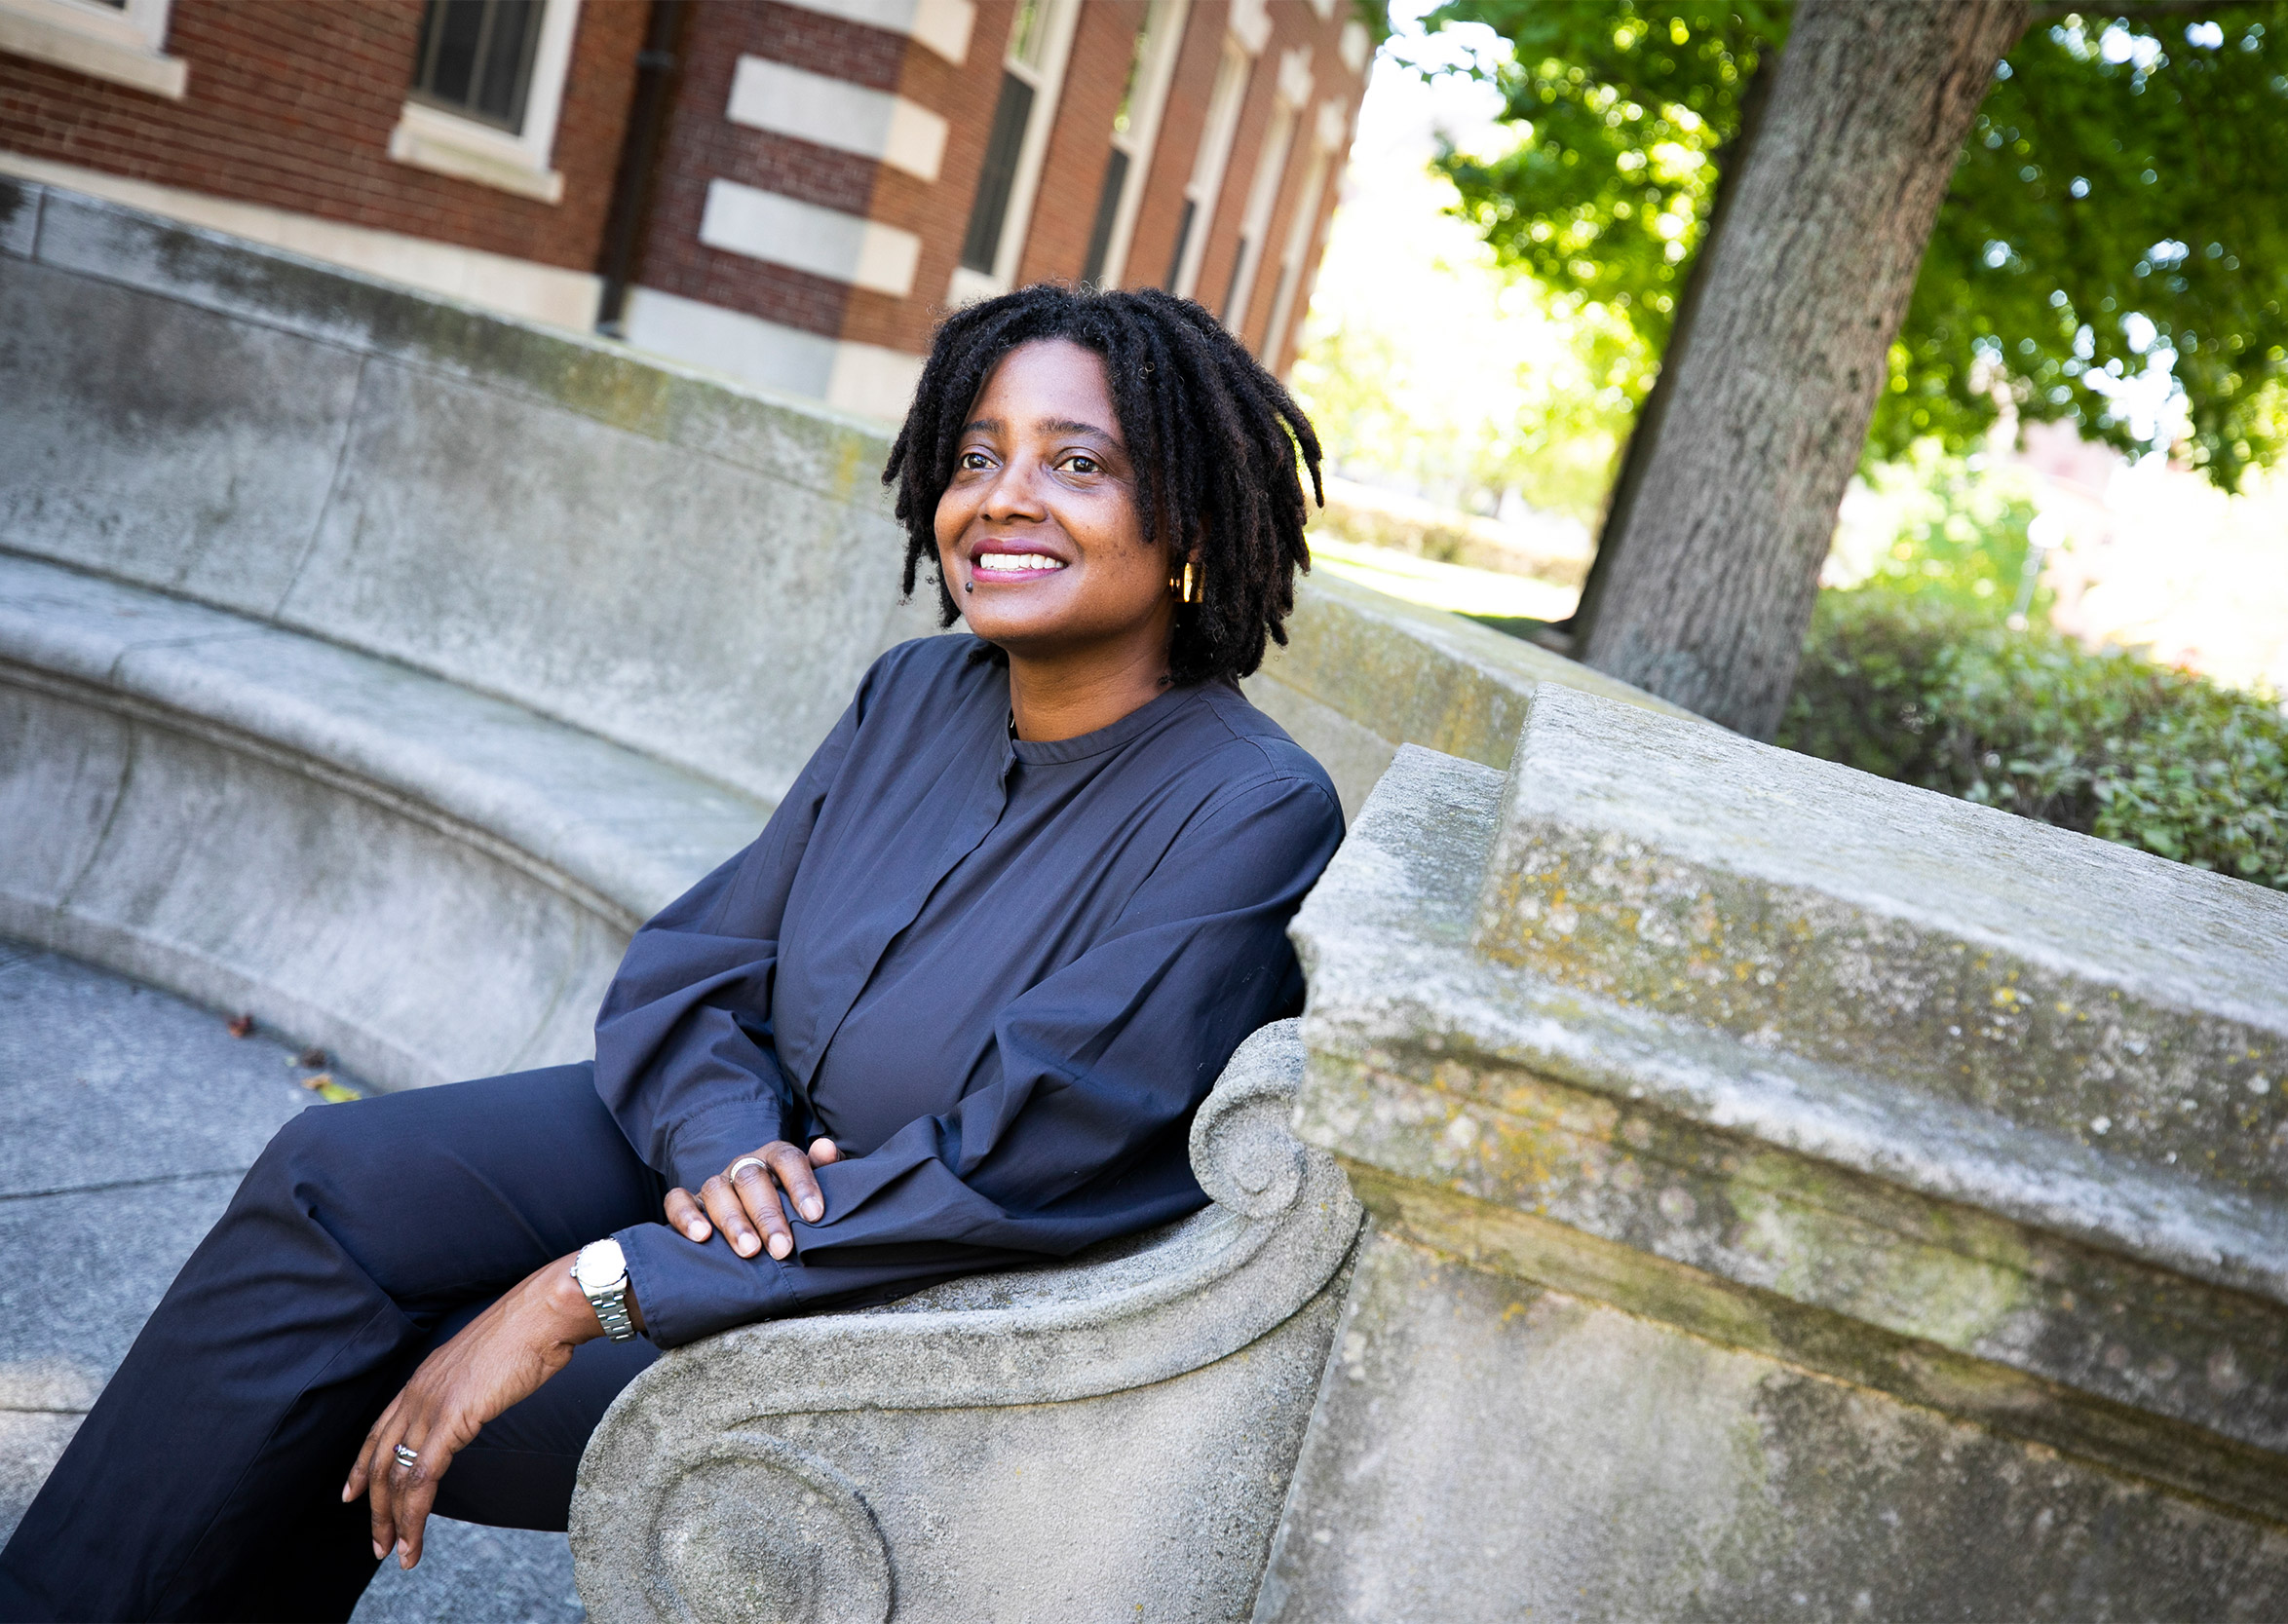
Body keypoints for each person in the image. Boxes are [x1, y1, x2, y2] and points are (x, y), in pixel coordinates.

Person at [0, 284, 1344, 1622]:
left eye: (1079, 463)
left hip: (904, 1282)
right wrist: (718, 1142)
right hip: (749, 1166)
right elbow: (707, 959)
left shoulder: (1246, 809)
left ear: (1195, 518)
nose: (1002, 496)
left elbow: (1018, 1156)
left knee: (353, 1352)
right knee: (326, 1182)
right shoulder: (915, 694)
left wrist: (591, 1288)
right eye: (978, 454)